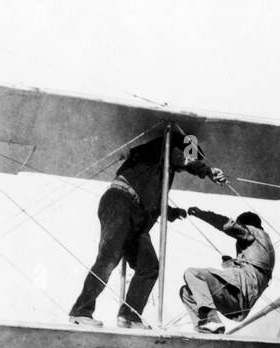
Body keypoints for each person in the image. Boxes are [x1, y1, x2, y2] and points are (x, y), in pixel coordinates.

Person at [69, 126, 225, 327]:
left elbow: (153, 201)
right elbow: (186, 156)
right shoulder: (160, 148)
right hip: (120, 201)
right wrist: (208, 171)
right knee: (109, 257)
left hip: (136, 213)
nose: (180, 169)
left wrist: (171, 212)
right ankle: (80, 312)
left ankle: (129, 316)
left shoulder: (159, 172)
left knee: (149, 266)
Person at [179, 208, 276, 333]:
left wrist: (202, 214)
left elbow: (228, 225)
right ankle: (208, 330)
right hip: (241, 302)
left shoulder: (255, 232)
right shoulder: (263, 246)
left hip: (242, 289)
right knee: (186, 292)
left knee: (192, 274)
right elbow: (255, 270)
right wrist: (231, 264)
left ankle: (212, 321)